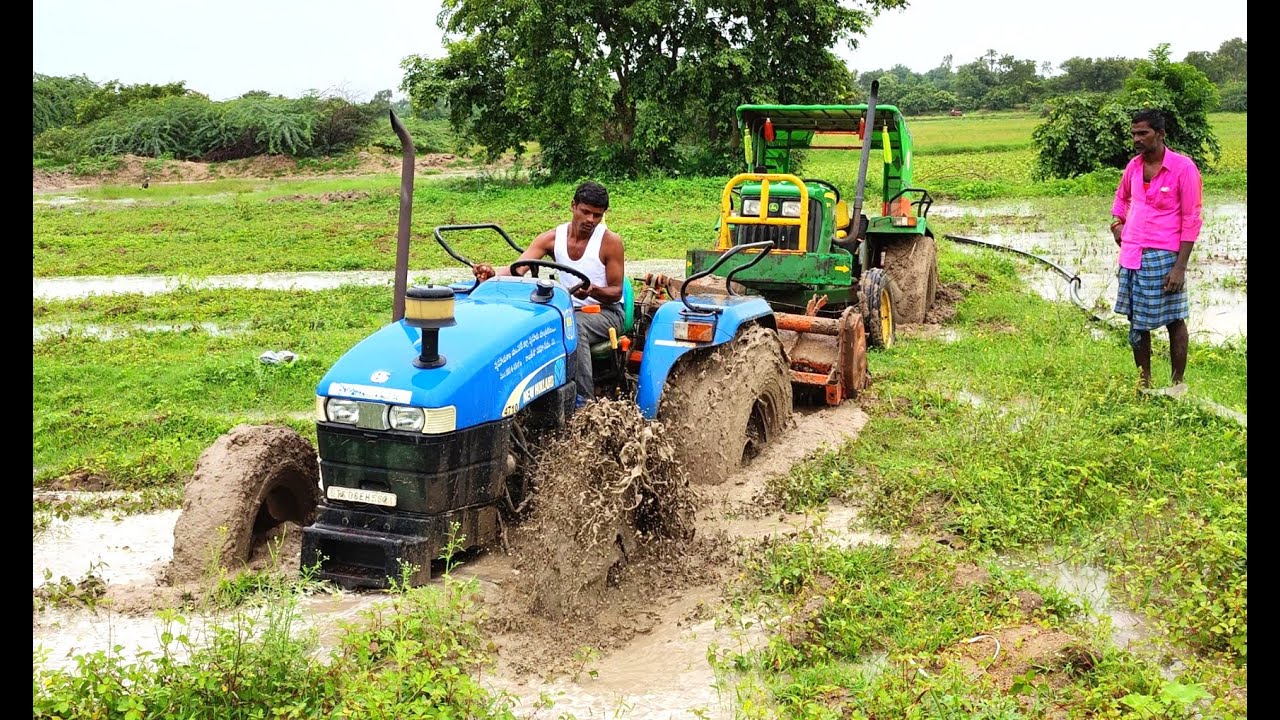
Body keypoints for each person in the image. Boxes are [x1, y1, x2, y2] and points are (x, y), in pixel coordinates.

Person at [473, 181, 626, 406]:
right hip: (568, 309)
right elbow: (517, 269)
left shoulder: (610, 242)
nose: (590, 220)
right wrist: (492, 275)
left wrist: (593, 290)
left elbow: (616, 291)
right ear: (573, 206)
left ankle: (584, 402)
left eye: (597, 215)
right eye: (585, 212)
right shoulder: (552, 238)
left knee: (574, 326)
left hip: (607, 312)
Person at [1110, 109, 1202, 391]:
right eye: (1134, 134)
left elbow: (1191, 218)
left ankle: (1177, 384)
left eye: (1143, 133)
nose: (1137, 139)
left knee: (1174, 319)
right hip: (1131, 255)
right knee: (1137, 322)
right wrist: (1116, 224)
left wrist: (1180, 267)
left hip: (1164, 257)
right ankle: (1144, 384)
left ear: (1160, 134)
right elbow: (1121, 198)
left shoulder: (1183, 168)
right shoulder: (1134, 167)